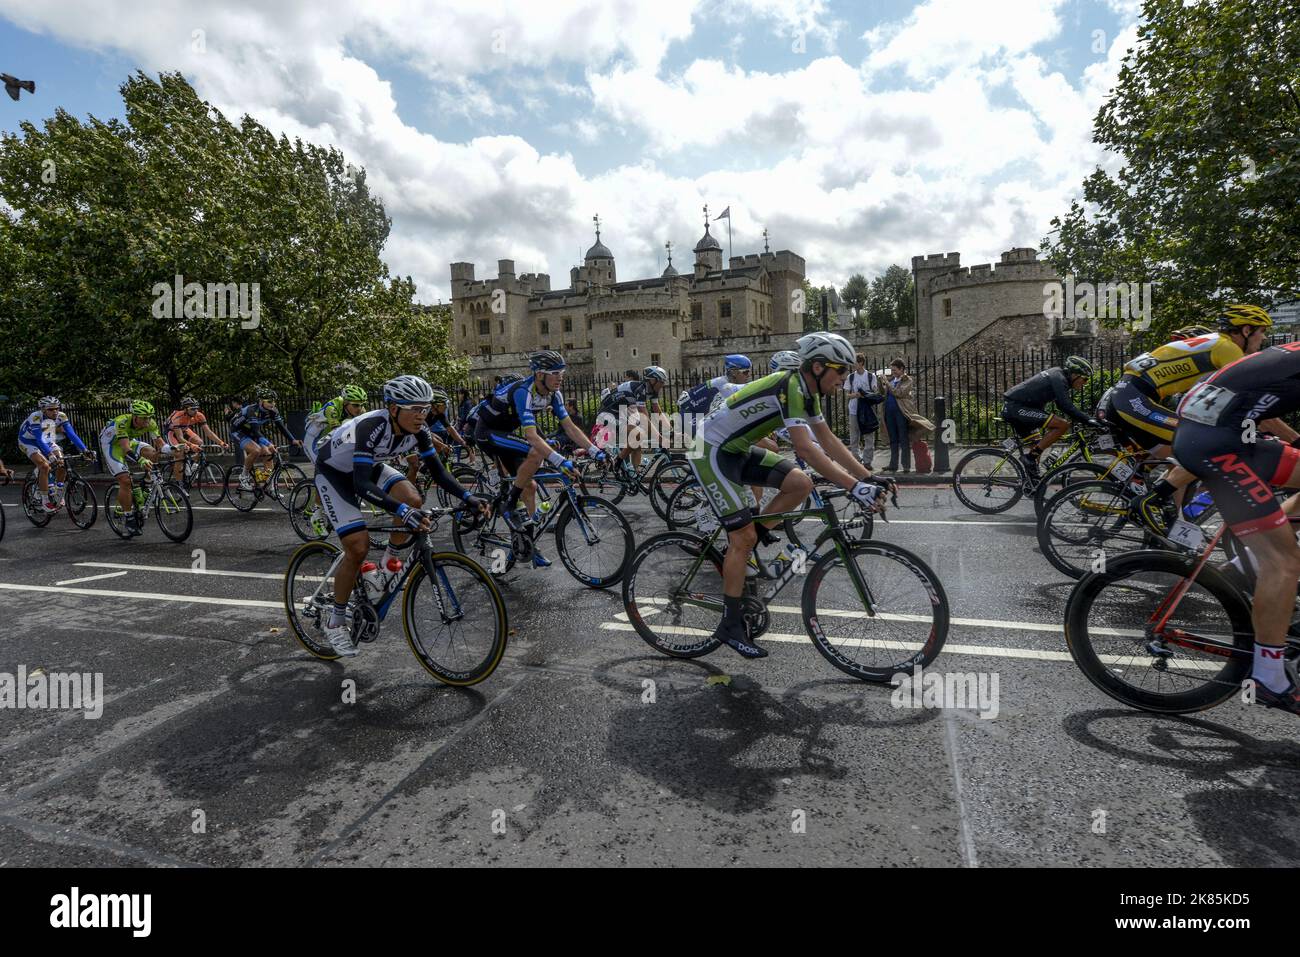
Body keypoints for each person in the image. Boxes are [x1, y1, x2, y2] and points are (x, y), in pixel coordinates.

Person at [690, 331, 888, 659]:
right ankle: (729, 625)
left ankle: (750, 539)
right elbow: (805, 449)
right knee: (742, 537)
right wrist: (854, 486)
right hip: (708, 450)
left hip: (736, 448)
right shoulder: (790, 386)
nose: (845, 378)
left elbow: (827, 440)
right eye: (841, 371)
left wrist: (868, 476)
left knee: (800, 484)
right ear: (819, 367)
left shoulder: (808, 392)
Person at [1171, 340, 1300, 712]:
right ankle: (1268, 678)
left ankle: (1248, 566)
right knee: (1286, 562)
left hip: (1229, 434)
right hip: (1217, 445)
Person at [1119, 305, 1273, 533]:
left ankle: (1165, 522)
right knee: (1197, 449)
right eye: (1262, 331)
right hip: (1135, 398)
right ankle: (1151, 506)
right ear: (1247, 330)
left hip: (1131, 395)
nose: (1264, 337)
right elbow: (1252, 400)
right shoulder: (1229, 349)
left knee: (1184, 457)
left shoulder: (1217, 342)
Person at [473, 351, 609, 568]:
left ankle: (527, 544)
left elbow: (570, 427)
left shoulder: (554, 395)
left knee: (531, 487)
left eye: (562, 373)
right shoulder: (523, 392)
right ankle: (509, 504)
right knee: (535, 452)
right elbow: (531, 436)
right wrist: (560, 462)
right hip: (488, 433)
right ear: (539, 375)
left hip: (507, 433)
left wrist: (595, 451)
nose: (560, 377)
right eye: (555, 373)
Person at [999, 356, 1097, 480]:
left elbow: (1062, 406)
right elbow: (1065, 406)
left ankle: (1032, 482)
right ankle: (1029, 458)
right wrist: (1089, 420)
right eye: (1085, 379)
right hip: (1015, 408)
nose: (1086, 383)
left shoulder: (1060, 378)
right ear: (1075, 374)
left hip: (1019, 408)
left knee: (1037, 443)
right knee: (1062, 425)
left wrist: (1083, 418)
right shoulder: (1058, 377)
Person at [98, 400, 164, 537]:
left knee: (153, 453)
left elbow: (161, 445)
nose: (148, 420)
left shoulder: (151, 423)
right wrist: (140, 460)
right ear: (135, 416)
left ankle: (146, 482)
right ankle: (129, 517)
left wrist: (177, 448)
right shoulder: (122, 422)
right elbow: (125, 448)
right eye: (144, 417)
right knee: (125, 480)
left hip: (128, 441)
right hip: (112, 445)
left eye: (149, 417)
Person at [18, 396, 90, 512]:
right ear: (43, 410)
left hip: (46, 438)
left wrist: (85, 450)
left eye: (56, 408)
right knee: (45, 466)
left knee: (62, 462)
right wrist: (50, 454)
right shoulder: (35, 416)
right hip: (28, 441)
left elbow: (72, 434)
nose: (55, 411)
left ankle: (58, 491)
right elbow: (39, 439)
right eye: (51, 409)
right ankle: (45, 501)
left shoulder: (61, 416)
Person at [597, 365, 667, 475]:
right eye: (661, 381)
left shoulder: (653, 390)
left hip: (621, 412)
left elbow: (657, 410)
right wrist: (659, 438)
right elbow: (644, 416)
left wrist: (669, 428)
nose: (663, 384)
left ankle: (634, 475)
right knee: (637, 434)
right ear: (652, 380)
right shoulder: (641, 389)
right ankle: (618, 461)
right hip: (608, 413)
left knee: (637, 444)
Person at [228, 388, 302, 487]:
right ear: (260, 401)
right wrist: (269, 444)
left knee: (268, 453)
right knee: (256, 450)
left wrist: (293, 440)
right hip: (238, 431)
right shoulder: (251, 410)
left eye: (274, 401)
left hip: (251, 431)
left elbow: (282, 427)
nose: (273, 404)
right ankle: (244, 476)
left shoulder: (273, 411)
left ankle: (270, 486)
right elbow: (256, 431)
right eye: (270, 401)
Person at [678, 355, 752, 443]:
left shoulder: (728, 383)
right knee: (715, 442)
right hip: (689, 415)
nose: (748, 375)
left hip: (699, 415)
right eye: (745, 372)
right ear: (734, 372)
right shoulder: (724, 385)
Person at [163, 396, 228, 482]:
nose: (196, 411)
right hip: (171, 432)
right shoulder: (178, 417)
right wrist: (191, 445)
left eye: (197, 408)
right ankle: (179, 483)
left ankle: (192, 464)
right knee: (179, 453)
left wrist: (221, 442)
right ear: (186, 409)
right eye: (193, 409)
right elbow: (180, 438)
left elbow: (209, 433)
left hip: (184, 429)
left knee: (199, 442)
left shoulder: (199, 416)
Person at [843, 354, 884, 467]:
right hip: (853, 410)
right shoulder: (850, 377)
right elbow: (847, 395)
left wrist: (866, 394)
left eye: (854, 362)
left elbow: (875, 392)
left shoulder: (871, 376)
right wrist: (856, 394)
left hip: (867, 410)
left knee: (869, 436)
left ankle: (867, 461)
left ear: (861, 363)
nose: (853, 365)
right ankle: (856, 459)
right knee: (854, 437)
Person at [304, 385, 368, 456]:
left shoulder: (359, 409)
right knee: (322, 464)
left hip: (326, 437)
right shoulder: (332, 409)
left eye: (362, 405)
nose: (359, 409)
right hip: (312, 439)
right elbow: (337, 433)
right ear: (345, 402)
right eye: (355, 405)